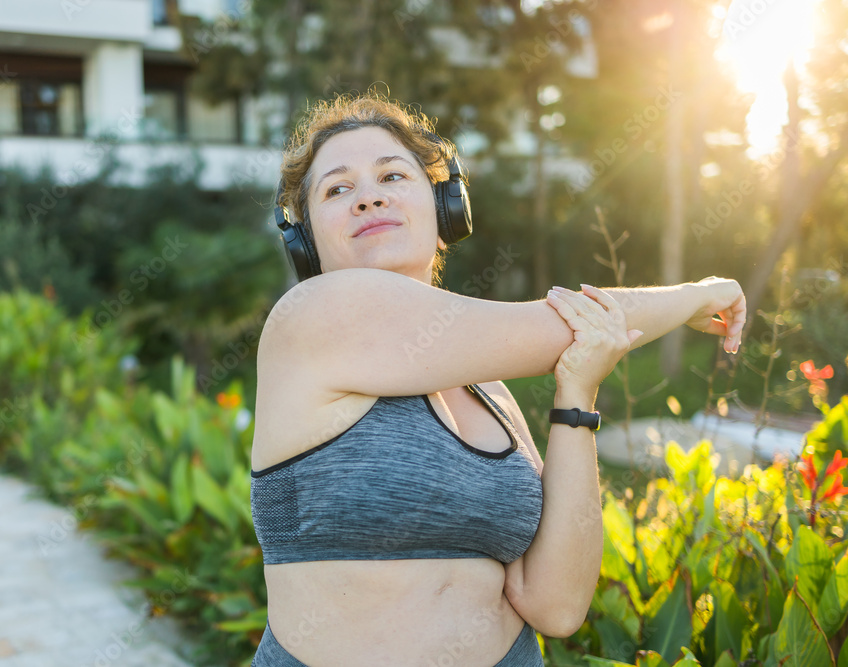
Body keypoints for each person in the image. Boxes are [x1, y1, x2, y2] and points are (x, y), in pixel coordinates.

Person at [248, 92, 746, 667]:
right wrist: (695, 296)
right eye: (337, 189)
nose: (369, 196)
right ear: (305, 239)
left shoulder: (493, 397)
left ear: (446, 215)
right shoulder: (310, 318)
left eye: (392, 175)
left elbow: (555, 606)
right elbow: (559, 328)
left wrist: (576, 397)